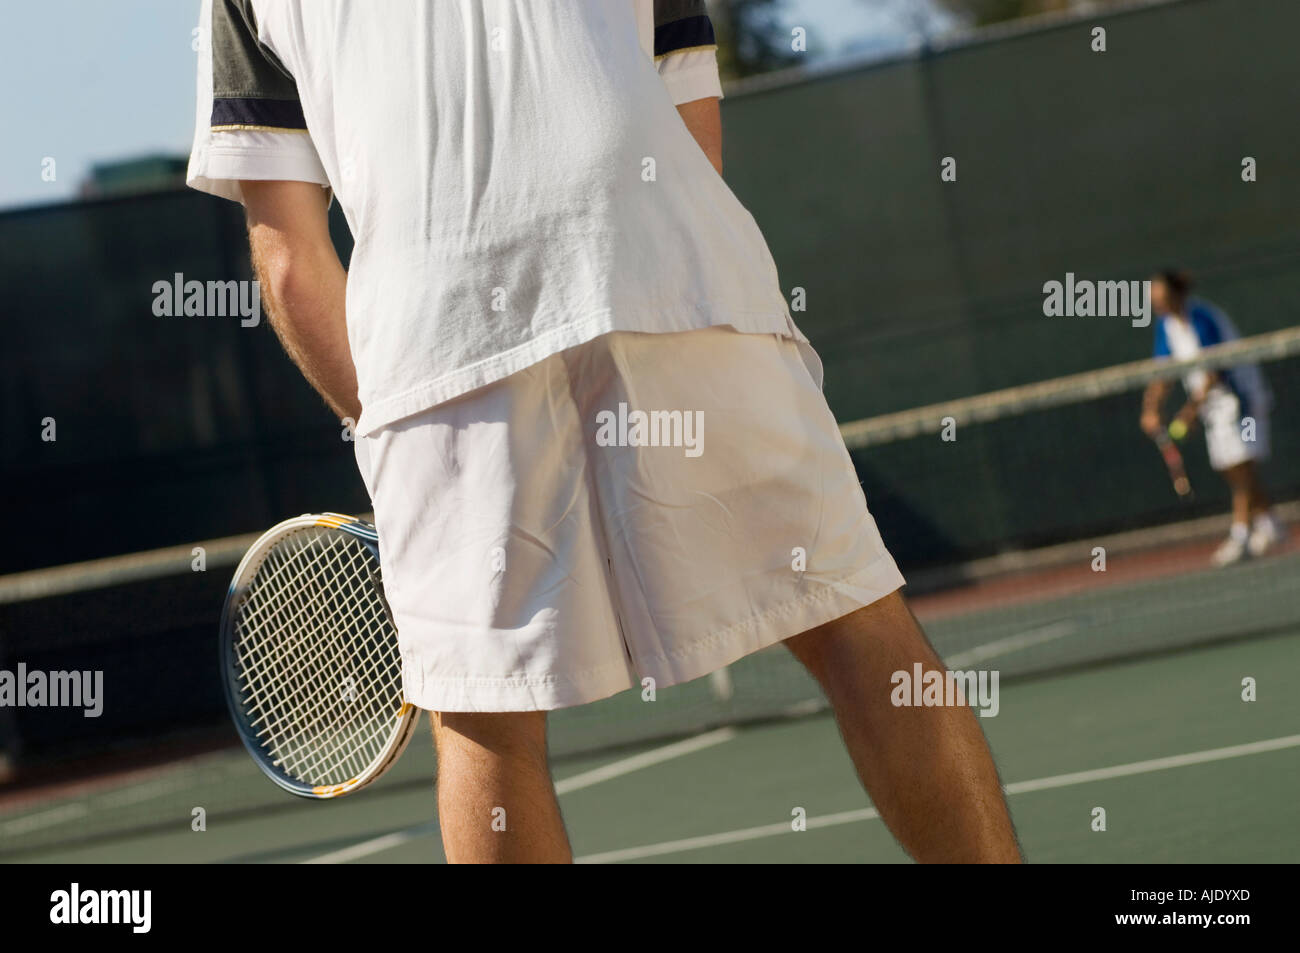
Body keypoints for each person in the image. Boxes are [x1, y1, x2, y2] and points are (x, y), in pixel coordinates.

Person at [188, 0, 1021, 863]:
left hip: (433, 337)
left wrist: (394, 426)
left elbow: (287, 260)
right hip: (663, 256)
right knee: (855, 625)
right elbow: (690, 124)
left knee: (484, 723)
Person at [1141, 271, 1285, 565]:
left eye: (1163, 299)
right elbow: (1162, 373)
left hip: (1244, 402)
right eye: (1154, 302)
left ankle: (1241, 534)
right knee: (1230, 468)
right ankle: (1268, 522)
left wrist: (1189, 411)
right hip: (1212, 407)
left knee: (1241, 464)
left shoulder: (1203, 319)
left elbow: (1213, 370)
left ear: (1178, 295)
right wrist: (1151, 408)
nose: (1159, 306)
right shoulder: (1166, 326)